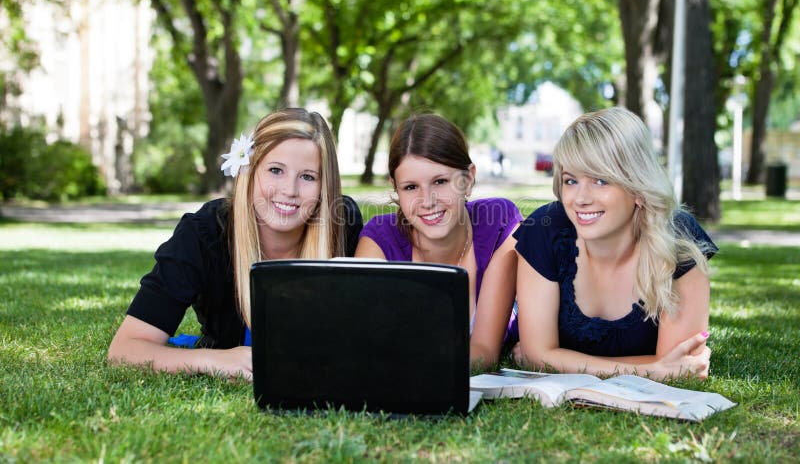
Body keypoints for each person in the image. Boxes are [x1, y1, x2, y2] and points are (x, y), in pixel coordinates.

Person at [108, 108, 363, 380]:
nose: (290, 190)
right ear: (249, 171)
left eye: (308, 176)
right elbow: (124, 350)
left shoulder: (341, 224)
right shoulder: (204, 233)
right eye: (276, 170)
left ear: (326, 186)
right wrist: (212, 359)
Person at [513, 107, 718, 380]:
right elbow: (537, 353)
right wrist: (650, 370)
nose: (580, 198)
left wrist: (556, 358)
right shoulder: (545, 229)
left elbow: (680, 363)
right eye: (571, 180)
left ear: (637, 188)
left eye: (600, 180)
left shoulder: (679, 238)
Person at [355, 113, 522, 368]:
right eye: (410, 187)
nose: (428, 201)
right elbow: (369, 343)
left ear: (467, 180)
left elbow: (484, 351)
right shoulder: (379, 241)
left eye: (440, 181)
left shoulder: (499, 223)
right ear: (396, 188)